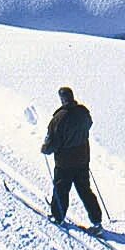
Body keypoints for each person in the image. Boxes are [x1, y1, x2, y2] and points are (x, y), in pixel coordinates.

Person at [41, 85, 102, 230]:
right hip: (82, 159)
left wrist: (45, 149)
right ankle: (97, 220)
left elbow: (53, 142)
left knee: (61, 189)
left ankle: (58, 217)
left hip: (65, 163)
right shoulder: (83, 112)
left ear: (62, 99)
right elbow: (89, 124)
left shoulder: (58, 119)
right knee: (85, 190)